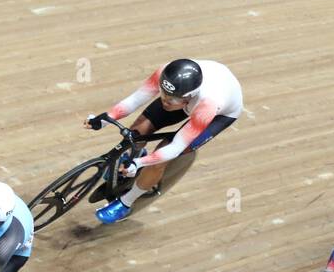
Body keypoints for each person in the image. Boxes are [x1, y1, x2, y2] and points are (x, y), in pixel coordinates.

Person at [84, 58, 243, 223]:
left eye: (171, 98)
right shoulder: (166, 73)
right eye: (163, 93)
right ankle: (134, 156)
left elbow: (175, 147)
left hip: (219, 115)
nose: (165, 100)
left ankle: (126, 202)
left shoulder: (208, 104)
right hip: (190, 97)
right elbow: (135, 100)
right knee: (138, 130)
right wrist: (104, 119)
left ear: (188, 97)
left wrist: (140, 163)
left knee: (160, 157)